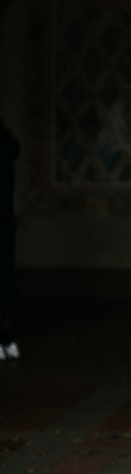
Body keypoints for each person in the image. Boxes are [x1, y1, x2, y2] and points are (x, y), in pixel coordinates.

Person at [0, 118, 21, 362]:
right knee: (4, 283)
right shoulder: (8, 146)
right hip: (6, 221)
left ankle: (5, 337)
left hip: (4, 222)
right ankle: (7, 337)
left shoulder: (5, 147)